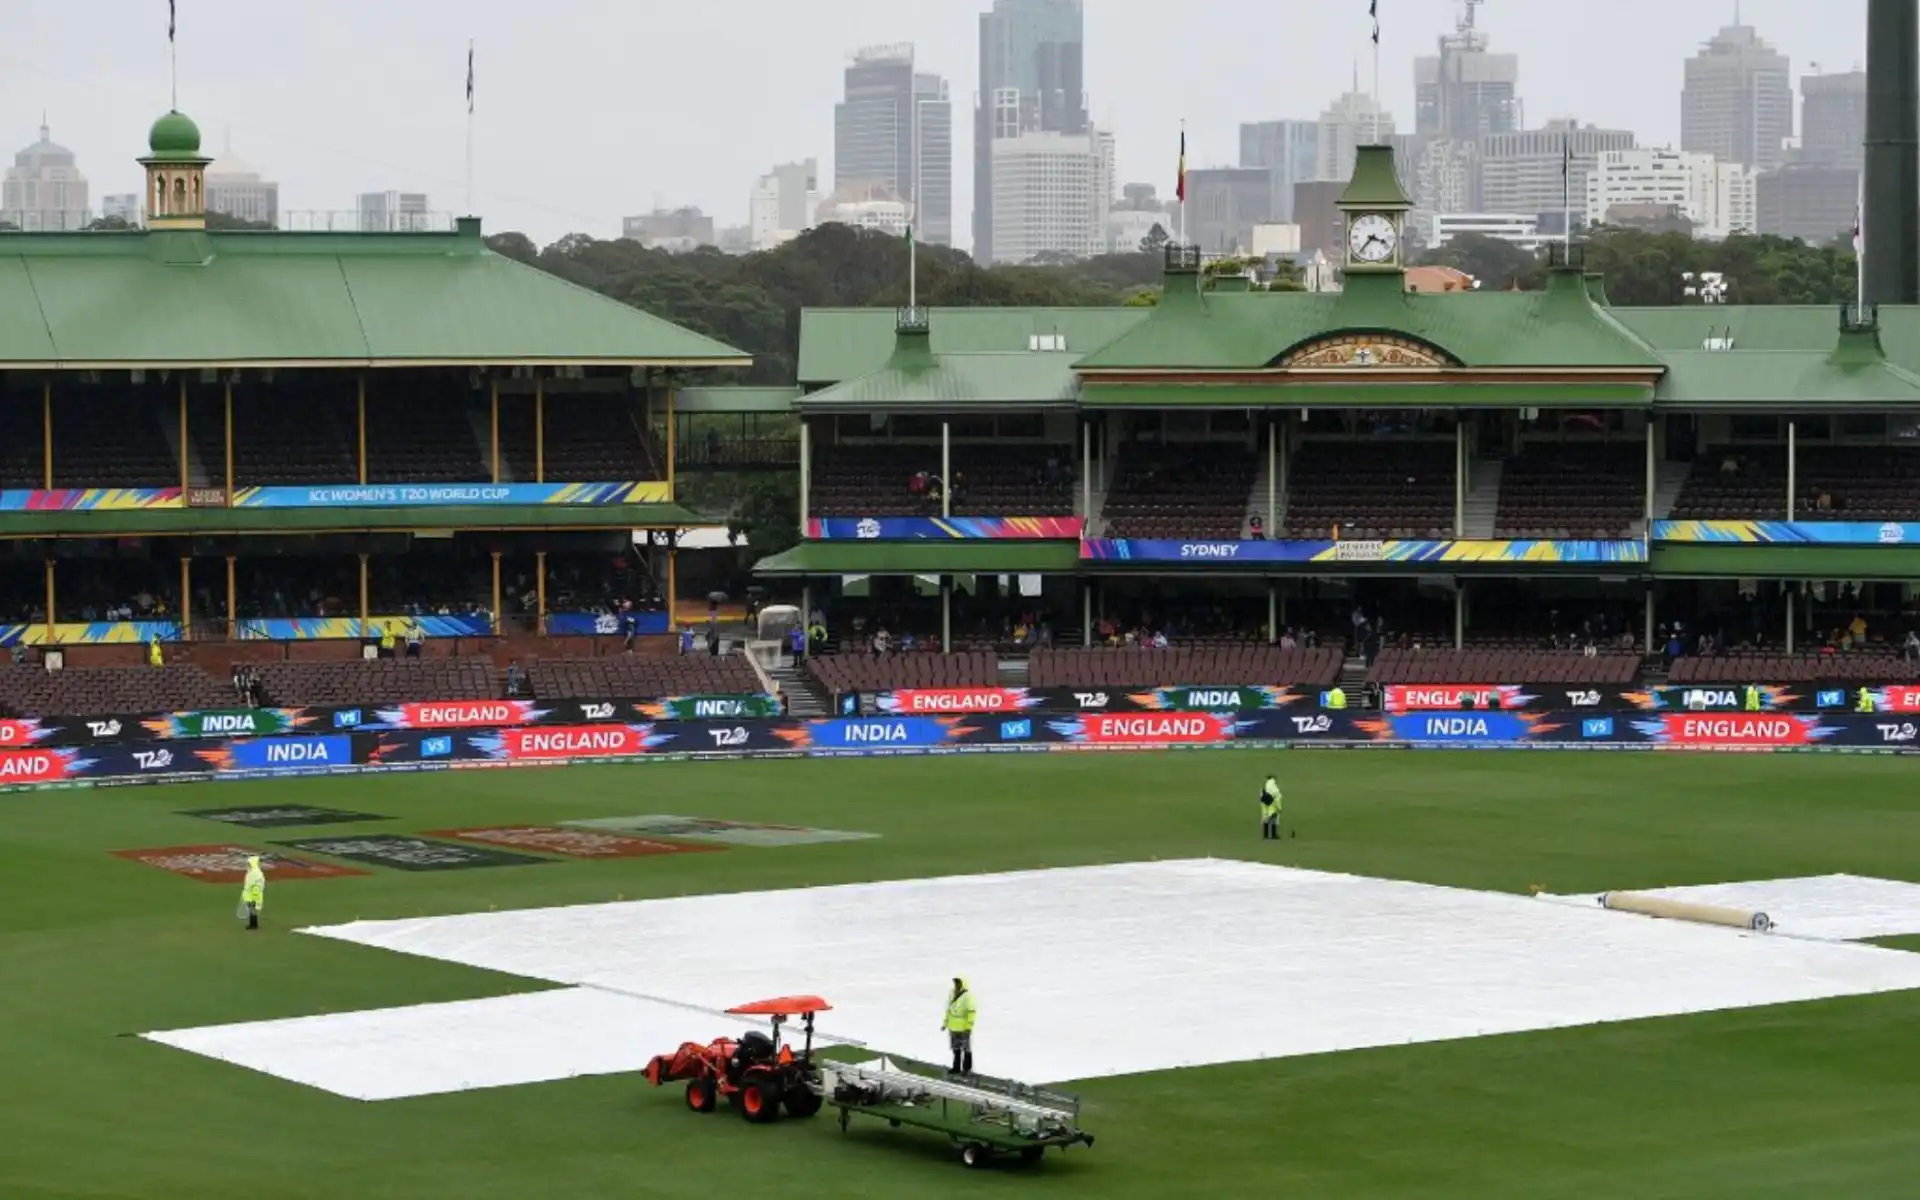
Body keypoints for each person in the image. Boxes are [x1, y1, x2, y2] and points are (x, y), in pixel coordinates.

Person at [942, 976, 976, 1075]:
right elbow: (948, 1010)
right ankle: (956, 1067)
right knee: (955, 1048)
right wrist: (945, 1023)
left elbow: (971, 1012)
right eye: (955, 983)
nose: (956, 985)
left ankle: (967, 1069)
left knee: (966, 1048)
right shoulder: (952, 994)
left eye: (958, 983)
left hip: (963, 1028)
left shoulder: (968, 996)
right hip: (953, 1027)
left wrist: (969, 1026)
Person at [238, 855, 265, 931]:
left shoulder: (254, 873)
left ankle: (253, 925)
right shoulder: (254, 872)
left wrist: (254, 895)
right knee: (252, 909)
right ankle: (253, 924)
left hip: (253, 894)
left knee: (253, 909)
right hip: (252, 894)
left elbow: (254, 884)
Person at [1260, 774, 1283, 840]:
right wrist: (1279, 808)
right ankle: (1273, 834)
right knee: (1274, 820)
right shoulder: (1275, 788)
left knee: (1266, 819)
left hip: (1265, 805)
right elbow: (1277, 798)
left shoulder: (1265, 787)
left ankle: (1265, 835)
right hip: (1273, 806)